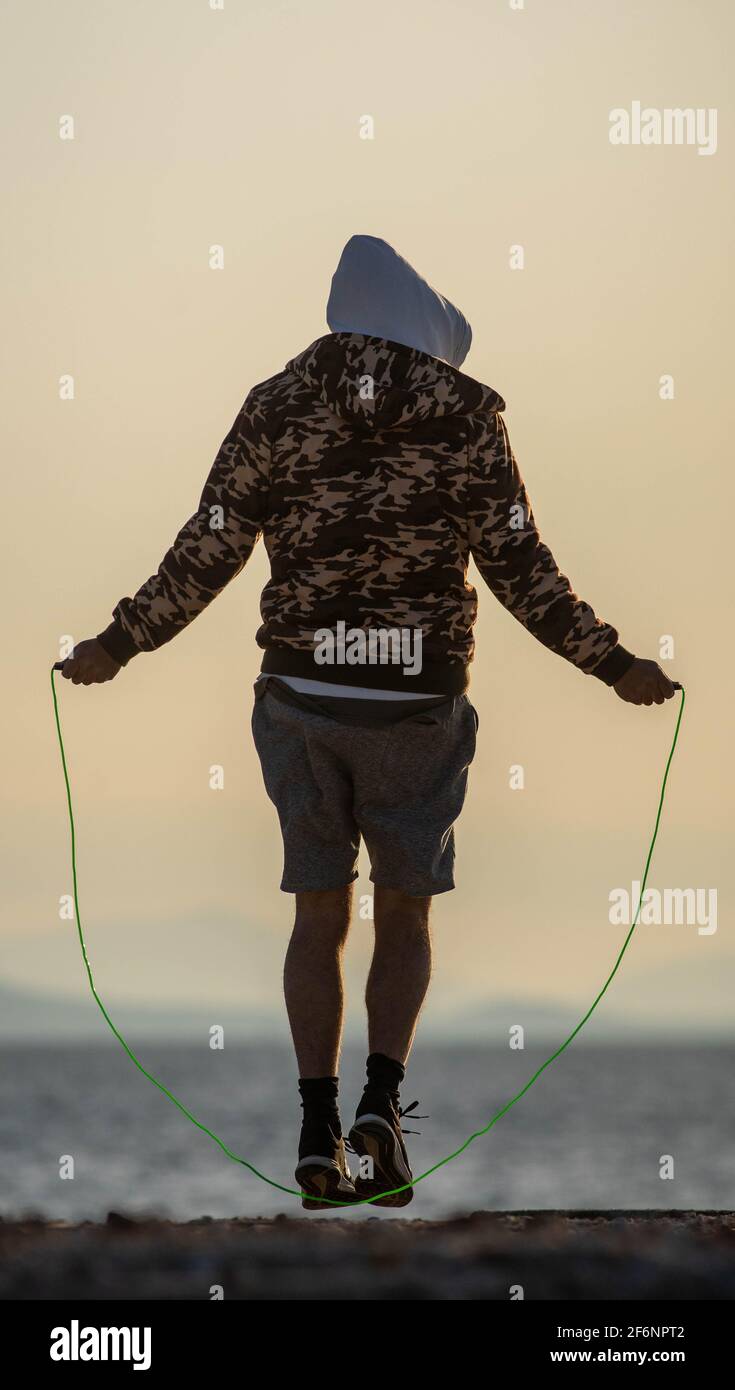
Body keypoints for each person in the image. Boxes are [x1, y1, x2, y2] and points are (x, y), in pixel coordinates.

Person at [59, 234, 676, 1210]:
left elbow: (211, 542)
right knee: (406, 906)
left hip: (303, 697)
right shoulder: (468, 414)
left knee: (317, 910)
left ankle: (314, 1127)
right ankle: (380, 1107)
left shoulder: (274, 402)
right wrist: (616, 665)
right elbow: (521, 566)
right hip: (416, 703)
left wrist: (118, 642)